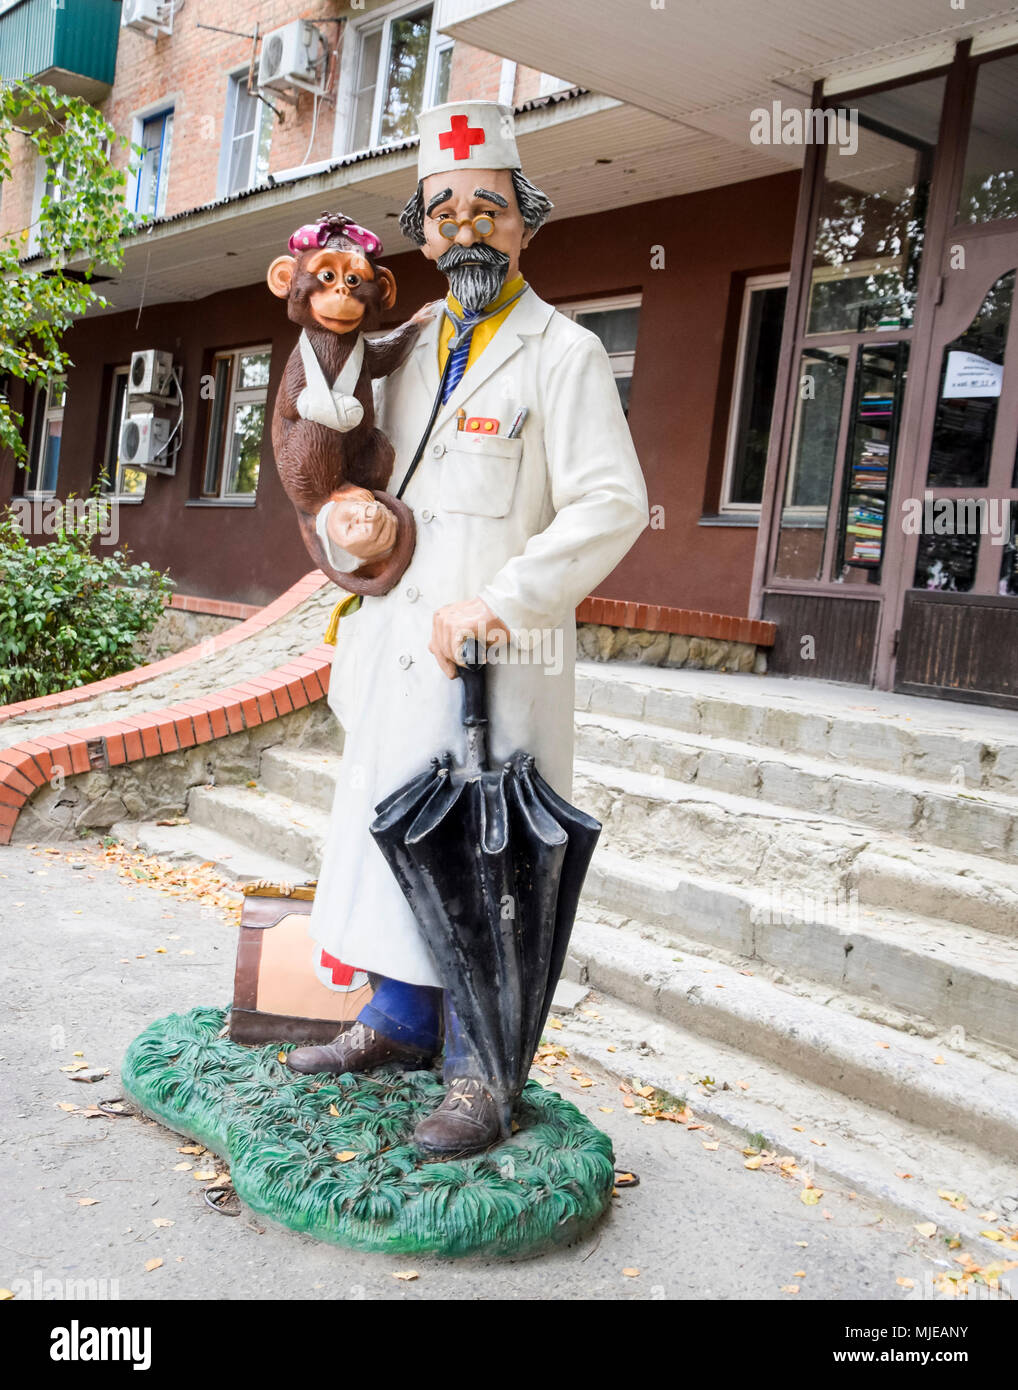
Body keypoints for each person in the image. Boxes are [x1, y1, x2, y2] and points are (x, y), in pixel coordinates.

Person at [286, 100, 649, 1157]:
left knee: (480, 864)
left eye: (489, 210)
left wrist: (504, 601)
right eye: (444, 214)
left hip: (497, 661)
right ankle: (397, 1024)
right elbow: (365, 477)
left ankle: (480, 1070)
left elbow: (610, 503)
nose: (467, 231)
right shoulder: (401, 349)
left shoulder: (564, 352)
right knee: (389, 833)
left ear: (526, 224)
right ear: (421, 232)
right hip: (395, 640)